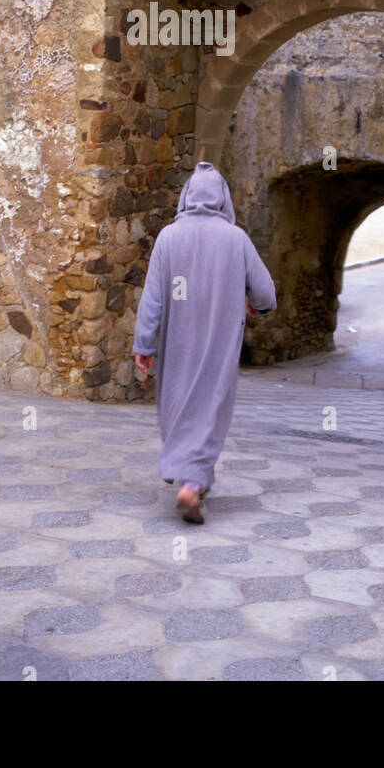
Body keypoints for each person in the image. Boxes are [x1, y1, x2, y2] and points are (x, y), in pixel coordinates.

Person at [133, 161, 276, 523]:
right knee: (209, 409)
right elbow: (265, 293)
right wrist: (256, 308)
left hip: (176, 346)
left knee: (179, 405)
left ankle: (186, 473)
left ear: (187, 196)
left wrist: (143, 344)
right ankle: (192, 484)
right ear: (223, 199)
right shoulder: (236, 239)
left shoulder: (168, 237)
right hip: (219, 345)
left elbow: (153, 299)